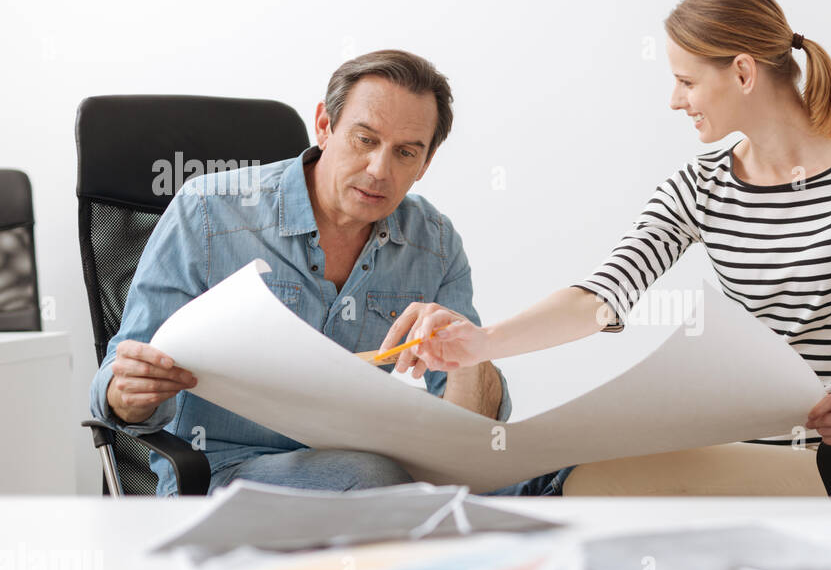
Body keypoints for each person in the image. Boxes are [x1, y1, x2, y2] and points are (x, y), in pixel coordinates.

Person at [378, 0, 831, 496]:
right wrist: (483, 341)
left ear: (742, 73)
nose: (674, 100)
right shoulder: (702, 184)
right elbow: (600, 296)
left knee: (561, 482)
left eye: (687, 81)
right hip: (725, 453)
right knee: (560, 471)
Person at [90, 49, 566, 497]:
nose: (379, 169)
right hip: (226, 476)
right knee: (374, 478)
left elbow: (474, 430)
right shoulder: (208, 212)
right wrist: (128, 392)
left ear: (426, 162)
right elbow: (116, 381)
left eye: (405, 152)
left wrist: (469, 354)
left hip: (374, 473)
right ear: (324, 125)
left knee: (554, 474)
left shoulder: (435, 243)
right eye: (365, 140)